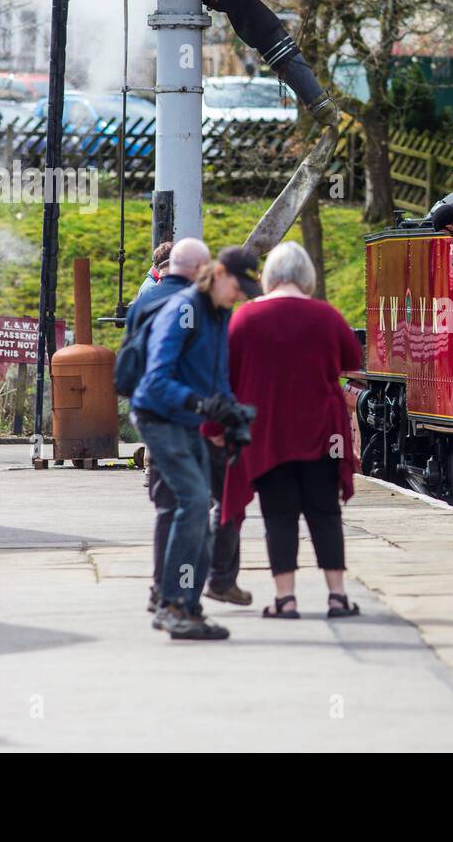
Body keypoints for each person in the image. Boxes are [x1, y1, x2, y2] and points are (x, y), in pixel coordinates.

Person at [217, 241, 364, 619]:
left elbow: (226, 378)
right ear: (307, 276)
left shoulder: (244, 319)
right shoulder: (327, 316)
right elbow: (351, 361)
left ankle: (286, 598)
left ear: (270, 276)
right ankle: (337, 595)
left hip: (267, 435)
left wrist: (215, 428)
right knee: (325, 513)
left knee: (278, 515)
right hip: (321, 433)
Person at [131, 245, 263, 640]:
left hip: (189, 421)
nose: (239, 295)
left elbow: (218, 377)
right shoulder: (183, 309)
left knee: (201, 507)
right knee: (191, 502)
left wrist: (229, 417)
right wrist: (198, 403)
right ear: (217, 273)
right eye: (237, 286)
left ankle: (187, 605)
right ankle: (171, 603)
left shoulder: (219, 314)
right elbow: (155, 381)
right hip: (158, 417)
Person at [125, 237, 211, 615]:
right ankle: (178, 597)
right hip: (181, 418)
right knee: (194, 505)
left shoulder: (142, 301)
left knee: (166, 506)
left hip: (149, 414)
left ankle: (161, 588)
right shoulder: (193, 306)